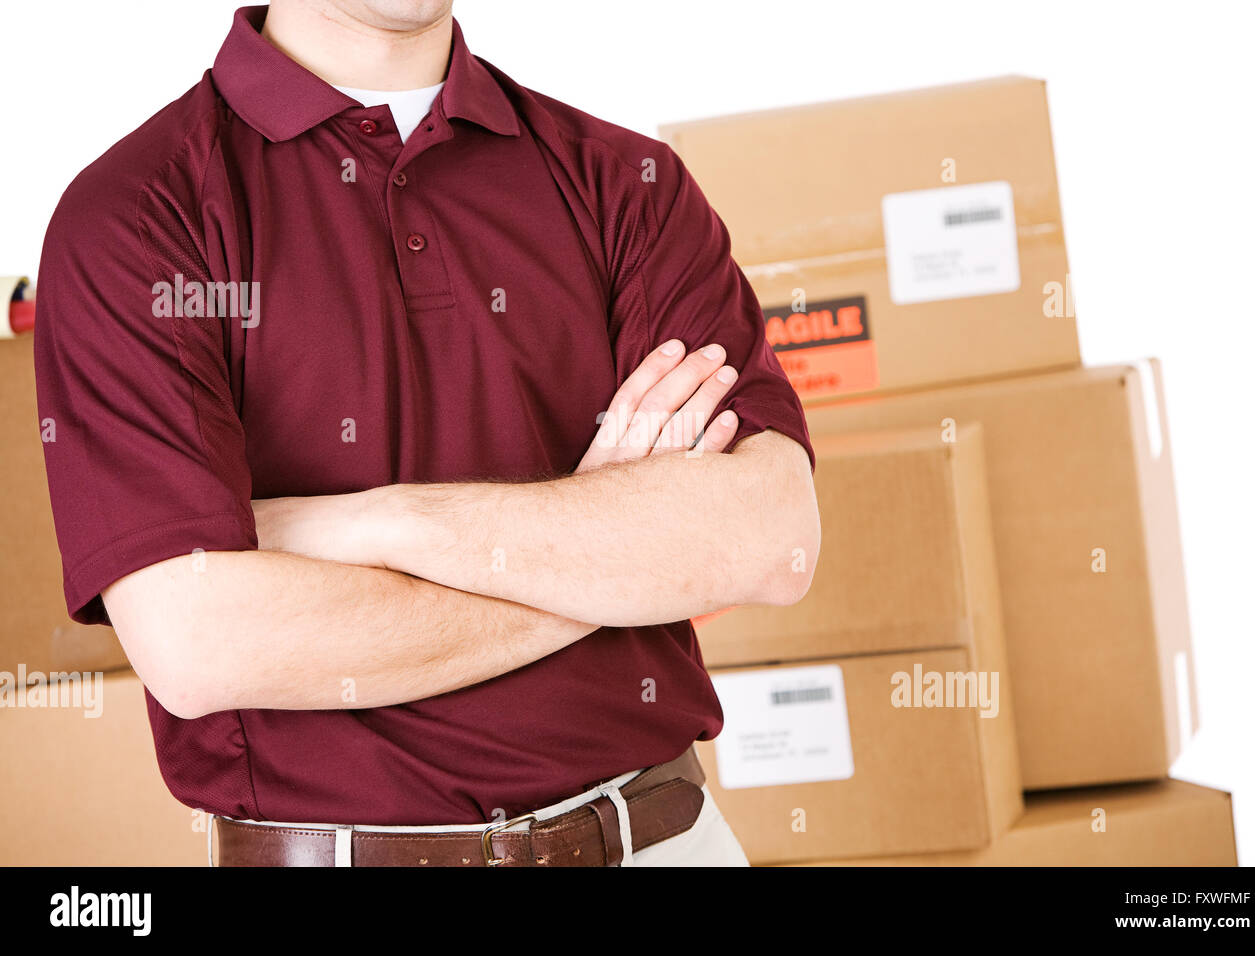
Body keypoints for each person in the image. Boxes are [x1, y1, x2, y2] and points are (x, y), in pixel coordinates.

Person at [34, 1, 820, 866]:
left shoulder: (627, 181)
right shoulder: (137, 218)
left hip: (663, 840)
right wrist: (610, 556)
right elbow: (197, 643)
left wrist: (386, 523)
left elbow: (770, 539)